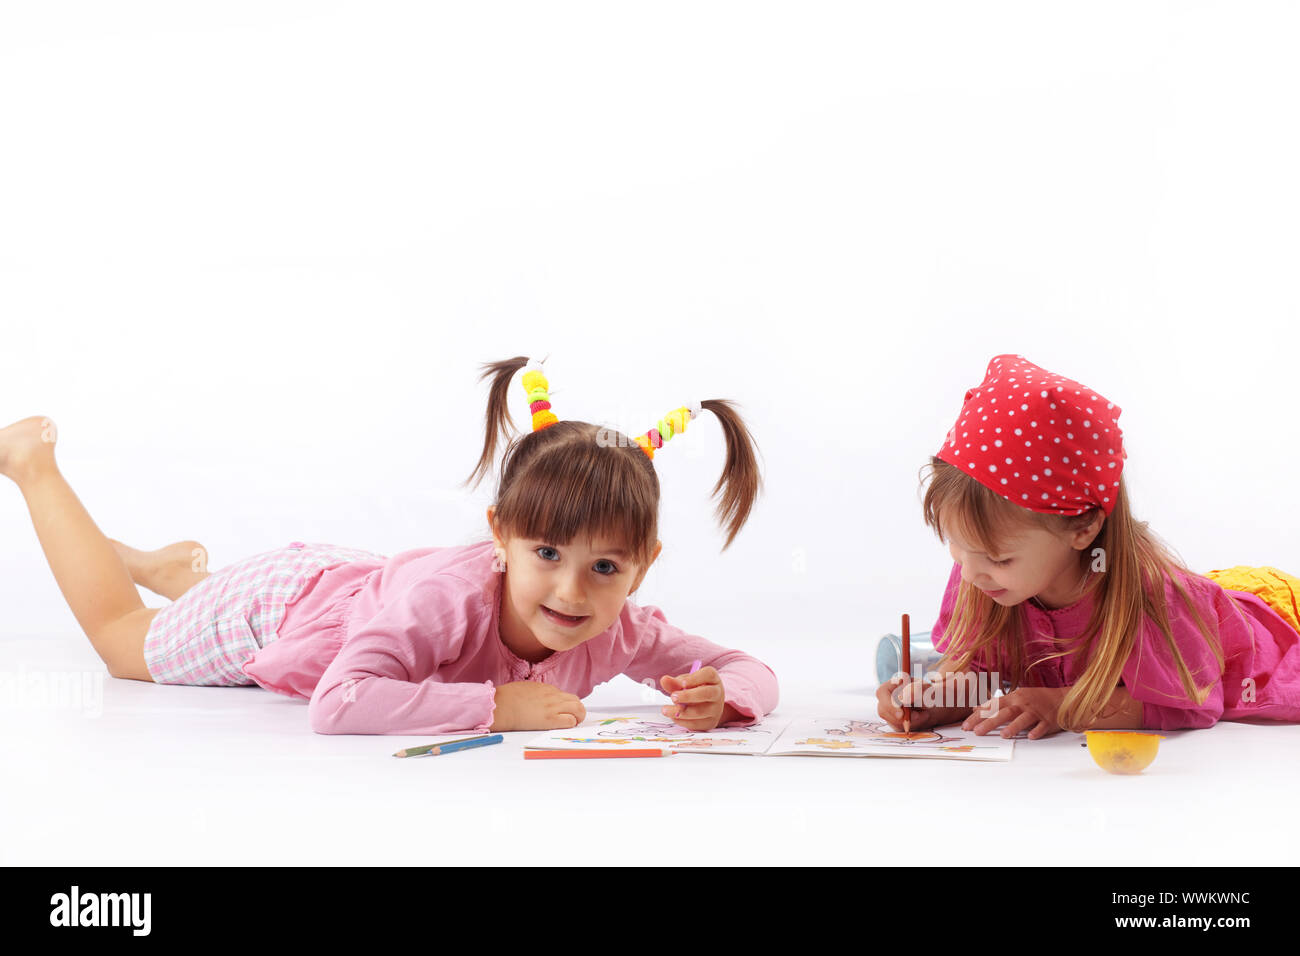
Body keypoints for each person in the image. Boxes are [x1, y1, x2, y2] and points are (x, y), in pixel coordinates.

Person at [0, 356, 778, 735]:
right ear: (500, 536)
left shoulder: (628, 628)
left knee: (188, 606)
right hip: (283, 607)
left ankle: (180, 572)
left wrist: (725, 698)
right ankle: (34, 465)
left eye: (605, 568)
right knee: (121, 644)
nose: (572, 593)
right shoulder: (444, 603)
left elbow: (754, 670)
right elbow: (337, 706)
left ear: (644, 568)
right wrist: (495, 706)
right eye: (547, 555)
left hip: (360, 588)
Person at [877, 354, 1300, 738]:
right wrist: (939, 700)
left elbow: (1195, 703)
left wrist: (1065, 705)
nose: (968, 572)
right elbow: (995, 681)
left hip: (1267, 629)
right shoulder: (982, 570)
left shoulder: (1151, 601)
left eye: (999, 558)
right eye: (955, 546)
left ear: (1083, 530)